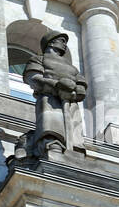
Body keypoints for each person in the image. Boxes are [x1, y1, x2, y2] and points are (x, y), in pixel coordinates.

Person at [23, 29, 87, 159]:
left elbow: (80, 81)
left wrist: (78, 90)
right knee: (51, 122)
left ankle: (75, 150)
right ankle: (52, 144)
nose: (65, 45)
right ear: (51, 43)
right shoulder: (38, 59)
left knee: (73, 131)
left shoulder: (71, 67)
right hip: (49, 97)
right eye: (62, 41)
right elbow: (33, 77)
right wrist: (56, 85)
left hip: (69, 100)